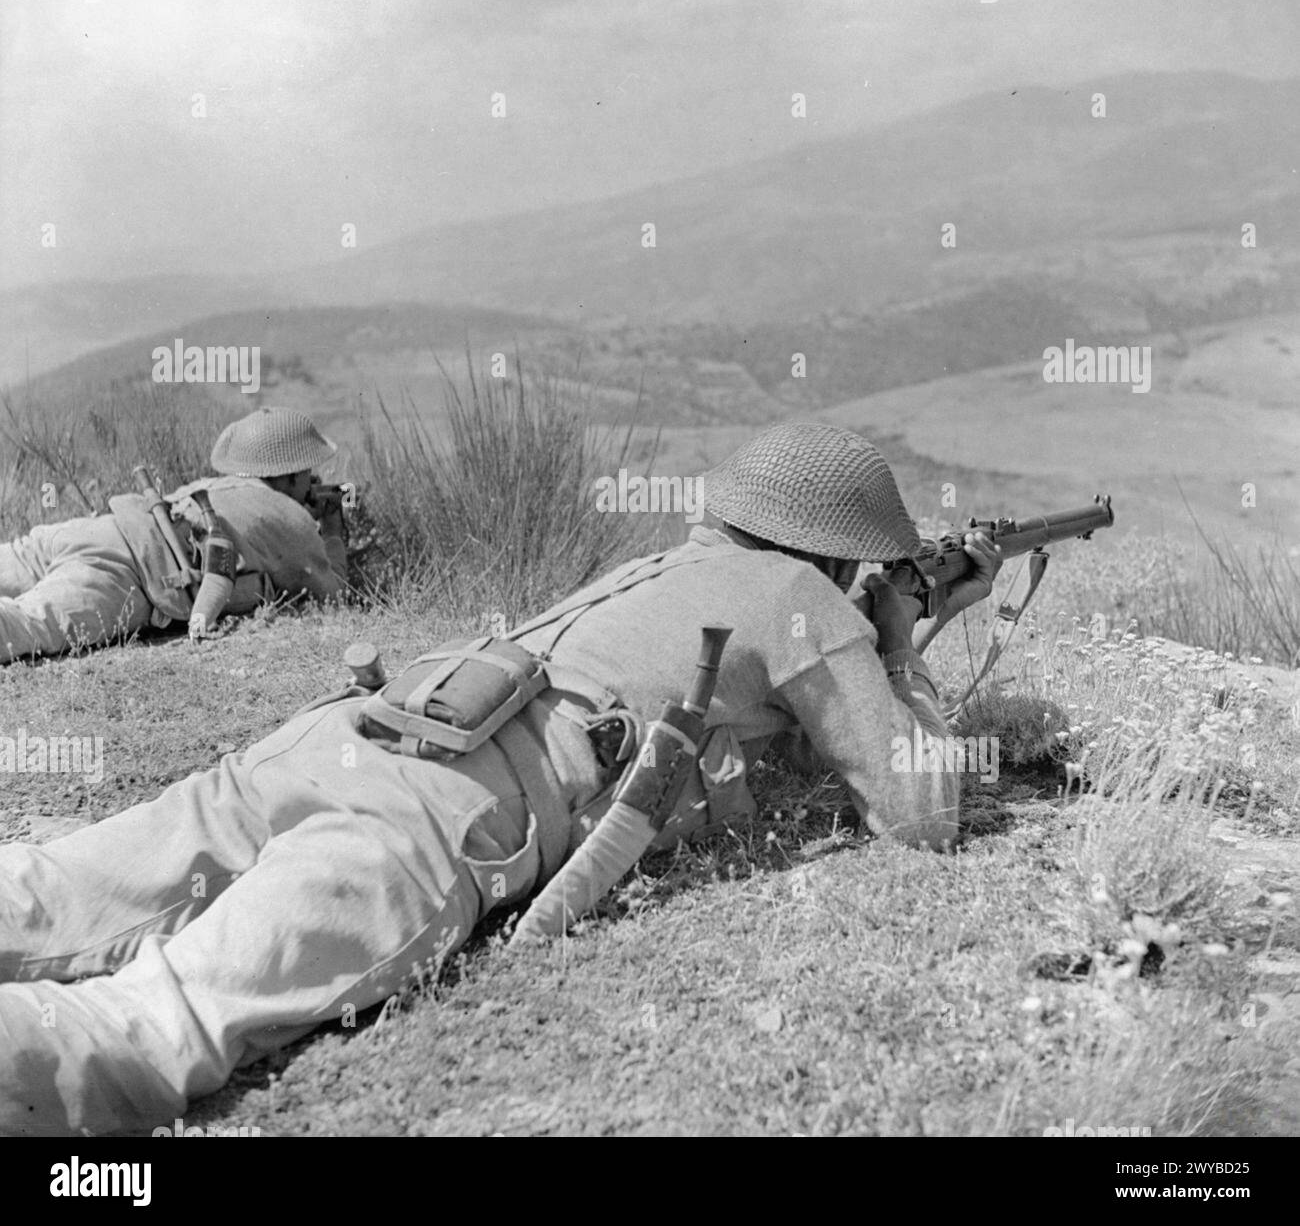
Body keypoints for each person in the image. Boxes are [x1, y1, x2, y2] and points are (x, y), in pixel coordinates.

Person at [0, 422, 1000, 1134]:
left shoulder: (677, 565)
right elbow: (919, 810)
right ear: (847, 555)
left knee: (44, 891)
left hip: (337, 737)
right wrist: (900, 640)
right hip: (429, 820)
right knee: (141, 1030)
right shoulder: (805, 602)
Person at [0, 407, 348, 663]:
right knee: (22, 625)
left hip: (100, 528)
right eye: (307, 473)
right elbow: (335, 596)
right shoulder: (289, 517)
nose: (313, 481)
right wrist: (331, 532)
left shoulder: (215, 485)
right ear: (289, 475)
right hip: (126, 571)